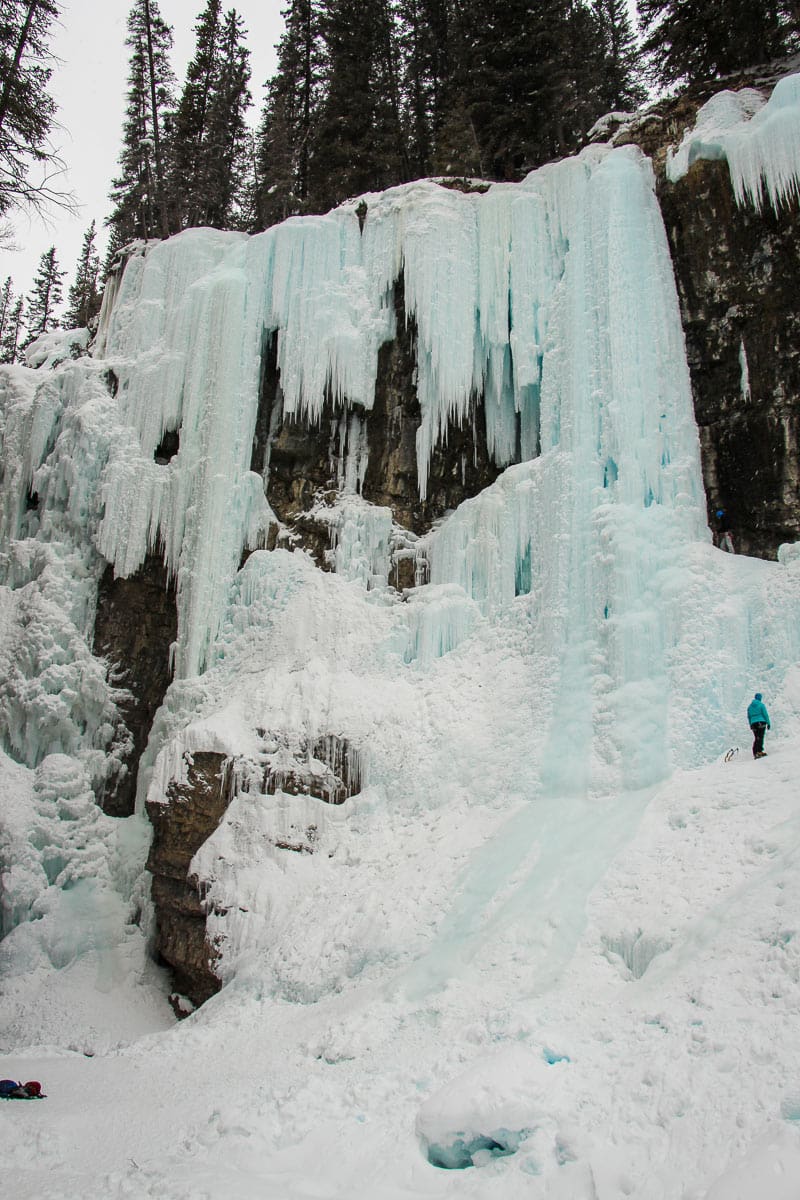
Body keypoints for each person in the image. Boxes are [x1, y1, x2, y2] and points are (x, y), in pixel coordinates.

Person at [747, 692, 771, 759]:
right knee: (760, 737)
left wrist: (751, 724)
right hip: (761, 722)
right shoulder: (761, 705)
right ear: (760, 698)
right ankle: (758, 751)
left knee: (757, 737)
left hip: (753, 724)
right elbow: (765, 714)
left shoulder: (749, 707)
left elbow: (749, 717)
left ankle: (756, 752)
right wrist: (768, 723)